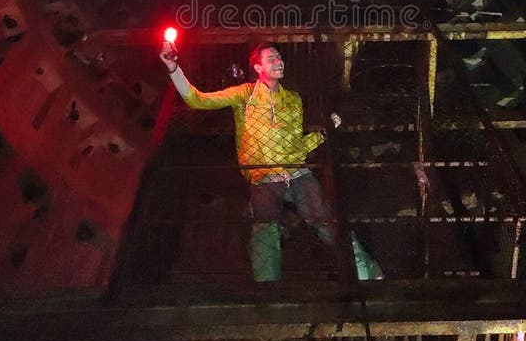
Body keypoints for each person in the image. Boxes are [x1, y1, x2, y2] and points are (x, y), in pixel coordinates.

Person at [160, 40, 382, 281]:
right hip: (263, 175)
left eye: (279, 57)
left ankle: (368, 274)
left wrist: (322, 134)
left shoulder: (293, 99)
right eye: (271, 59)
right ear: (258, 68)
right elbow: (197, 99)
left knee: (327, 223)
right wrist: (173, 68)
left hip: (297, 172)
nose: (279, 62)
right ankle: (267, 287)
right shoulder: (245, 94)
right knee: (265, 230)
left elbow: (295, 144)